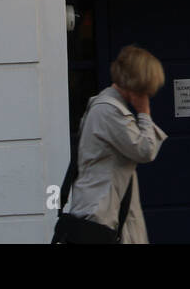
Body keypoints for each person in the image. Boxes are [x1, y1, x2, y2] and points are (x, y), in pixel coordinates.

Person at [67, 45, 168, 244]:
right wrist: (144, 113)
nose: (148, 95)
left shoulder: (105, 105)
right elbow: (145, 150)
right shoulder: (109, 111)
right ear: (136, 84)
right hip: (100, 217)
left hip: (105, 214)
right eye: (146, 90)